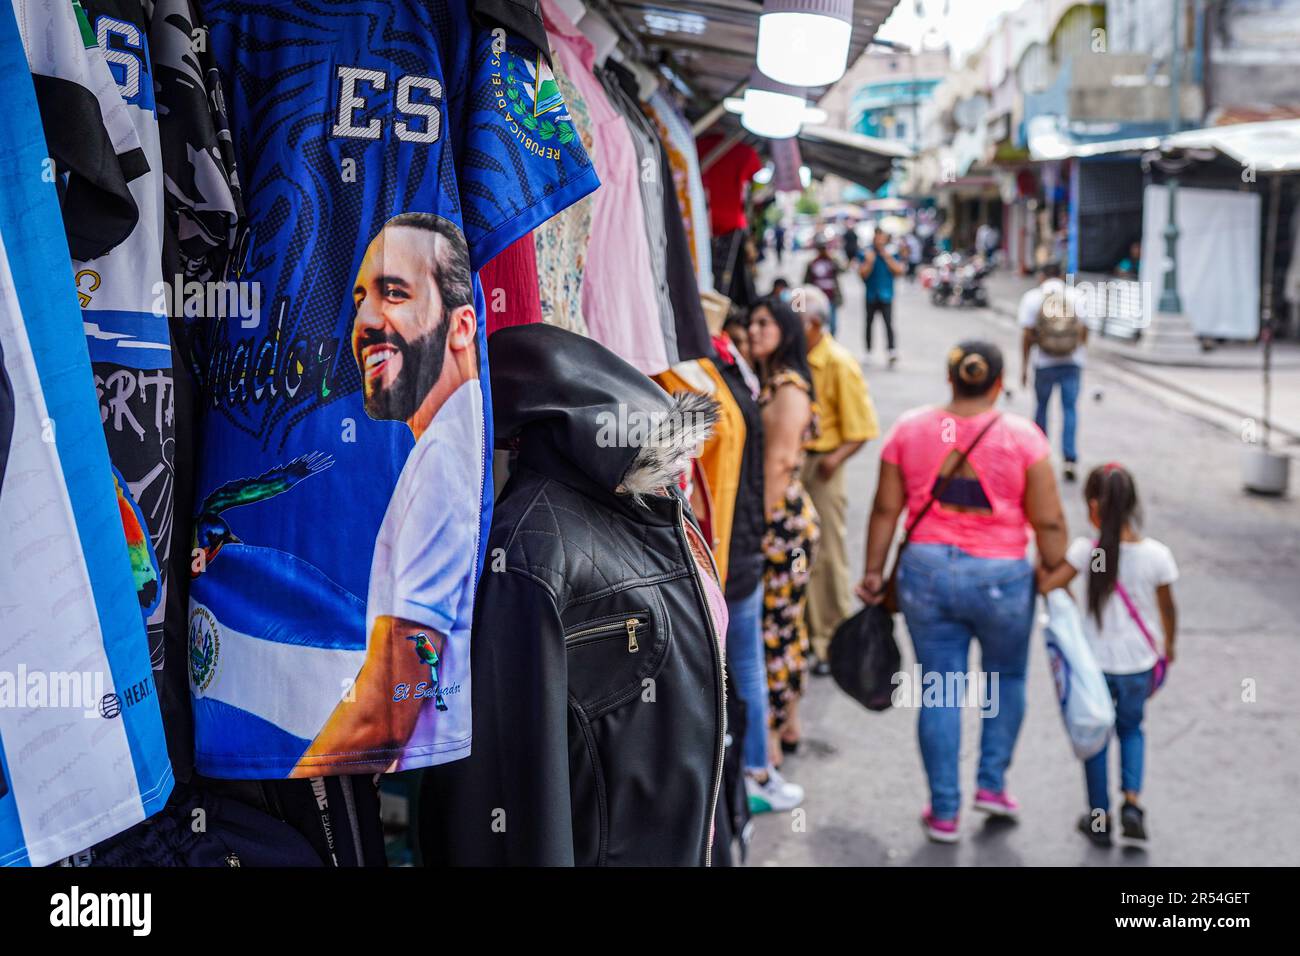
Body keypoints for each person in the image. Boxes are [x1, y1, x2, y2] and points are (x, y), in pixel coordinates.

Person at [856, 340, 1068, 843]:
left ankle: (945, 811)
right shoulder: (1025, 437)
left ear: (951, 380)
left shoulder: (909, 429)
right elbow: (1050, 520)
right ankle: (992, 785)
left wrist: (872, 571)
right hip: (1002, 578)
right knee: (1007, 680)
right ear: (998, 383)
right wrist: (1054, 568)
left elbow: (886, 510)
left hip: (925, 574)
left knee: (942, 690)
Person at [297, 212, 482, 774]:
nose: (366, 319)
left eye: (394, 293)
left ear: (461, 326)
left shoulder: (445, 457)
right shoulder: (452, 437)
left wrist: (294, 774)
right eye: (360, 299)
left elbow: (386, 712)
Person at [1038, 463, 1178, 847]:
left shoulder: (1087, 553)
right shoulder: (1157, 556)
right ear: (1133, 504)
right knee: (1132, 729)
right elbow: (1167, 610)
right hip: (1138, 664)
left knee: (1095, 738)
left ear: (1093, 508)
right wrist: (1170, 646)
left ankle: (1099, 817)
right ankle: (1131, 803)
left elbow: (1049, 585)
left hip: (1094, 665)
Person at [747, 297, 820, 769]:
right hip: (785, 523)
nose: (753, 330)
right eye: (750, 323)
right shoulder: (775, 382)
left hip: (783, 526)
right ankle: (788, 722)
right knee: (785, 624)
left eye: (764, 323)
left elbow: (779, 463)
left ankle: (771, 736)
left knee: (773, 627)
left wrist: (758, 528)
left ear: (787, 331)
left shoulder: (787, 388)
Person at [796, 285, 878, 676]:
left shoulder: (839, 363)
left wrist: (833, 460)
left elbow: (861, 429)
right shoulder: (798, 358)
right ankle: (809, 636)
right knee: (798, 553)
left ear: (813, 324)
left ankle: (830, 641)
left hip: (823, 465)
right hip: (797, 463)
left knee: (827, 555)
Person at [1019, 261, 1089, 482]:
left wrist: (1024, 366)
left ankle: (1039, 457)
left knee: (1041, 408)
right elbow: (1085, 330)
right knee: (1070, 410)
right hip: (1072, 362)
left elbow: (1028, 336)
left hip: (1044, 362)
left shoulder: (1032, 297)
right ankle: (1069, 458)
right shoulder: (1076, 296)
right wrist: (1079, 354)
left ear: (1041, 276)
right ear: (1060, 276)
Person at [858, 228, 906, 366]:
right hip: (871, 294)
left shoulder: (891, 253)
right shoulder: (867, 254)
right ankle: (868, 351)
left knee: (888, 323)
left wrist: (887, 257)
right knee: (869, 324)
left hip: (886, 295)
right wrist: (869, 261)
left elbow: (899, 271)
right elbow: (862, 274)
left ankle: (891, 350)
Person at [802, 242, 844, 336]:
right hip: (818, 298)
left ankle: (831, 341)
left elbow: (842, 270)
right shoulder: (812, 263)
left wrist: (833, 258)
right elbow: (806, 282)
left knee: (832, 324)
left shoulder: (832, 261)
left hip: (831, 296)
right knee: (818, 323)